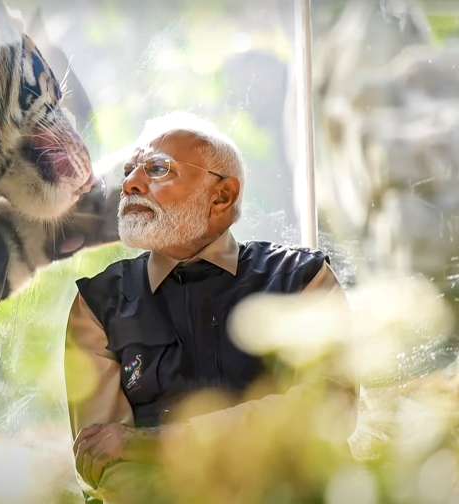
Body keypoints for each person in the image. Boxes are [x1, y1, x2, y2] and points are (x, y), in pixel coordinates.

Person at [64, 113, 347, 503]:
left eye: (158, 169)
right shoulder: (96, 305)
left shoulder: (303, 279)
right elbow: (103, 463)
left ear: (222, 196)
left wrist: (147, 443)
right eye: (130, 171)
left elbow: (323, 416)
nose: (130, 183)